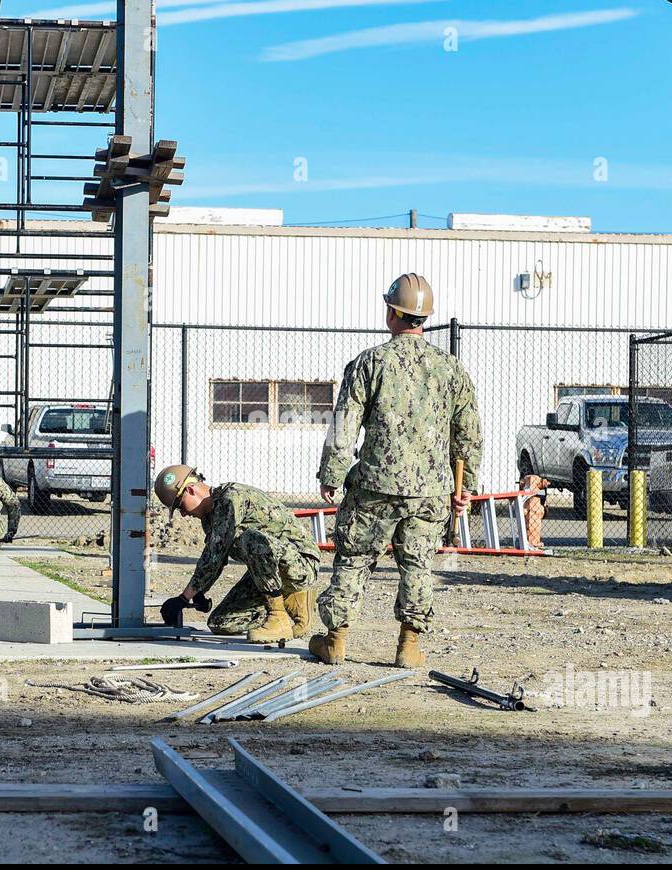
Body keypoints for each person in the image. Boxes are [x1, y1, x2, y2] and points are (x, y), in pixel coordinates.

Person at [313, 273, 482, 668]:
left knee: (354, 558)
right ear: (423, 318)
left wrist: (332, 474)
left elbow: (344, 425)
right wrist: (466, 486)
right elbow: (468, 434)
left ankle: (336, 640)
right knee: (418, 564)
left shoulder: (369, 363)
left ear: (392, 312)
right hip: (432, 491)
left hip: (375, 485)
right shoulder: (451, 369)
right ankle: (409, 645)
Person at [155, 464, 320, 642]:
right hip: (266, 574)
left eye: (180, 506)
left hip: (301, 565)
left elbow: (215, 554)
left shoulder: (231, 498)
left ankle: (278, 617)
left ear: (190, 490)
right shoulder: (209, 518)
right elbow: (215, 559)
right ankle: (290, 598)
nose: (184, 514)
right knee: (221, 623)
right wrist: (198, 592)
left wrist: (183, 598)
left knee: (252, 539)